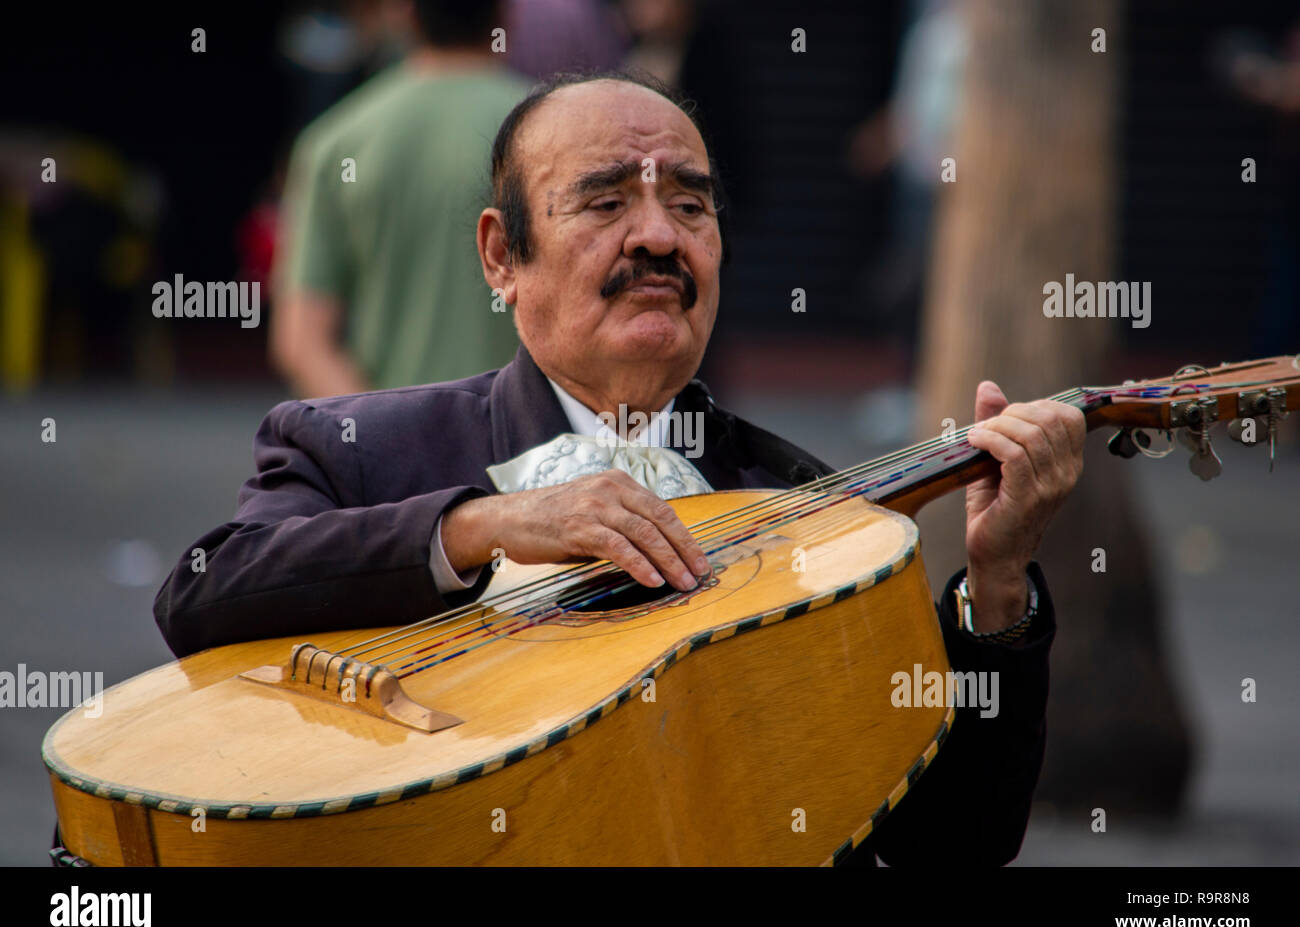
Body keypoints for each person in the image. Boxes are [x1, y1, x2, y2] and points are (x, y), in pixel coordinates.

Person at [153, 71, 1086, 866]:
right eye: (605, 203)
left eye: (690, 204)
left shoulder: (807, 511)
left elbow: (951, 843)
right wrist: (478, 527)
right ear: (500, 254)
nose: (659, 237)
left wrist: (997, 588)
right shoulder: (362, 448)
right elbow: (203, 593)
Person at [271, 0, 529, 396]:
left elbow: (304, 341)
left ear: (405, 14)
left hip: (389, 440)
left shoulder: (336, 141)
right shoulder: (553, 137)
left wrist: (380, 438)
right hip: (528, 449)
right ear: (504, 15)